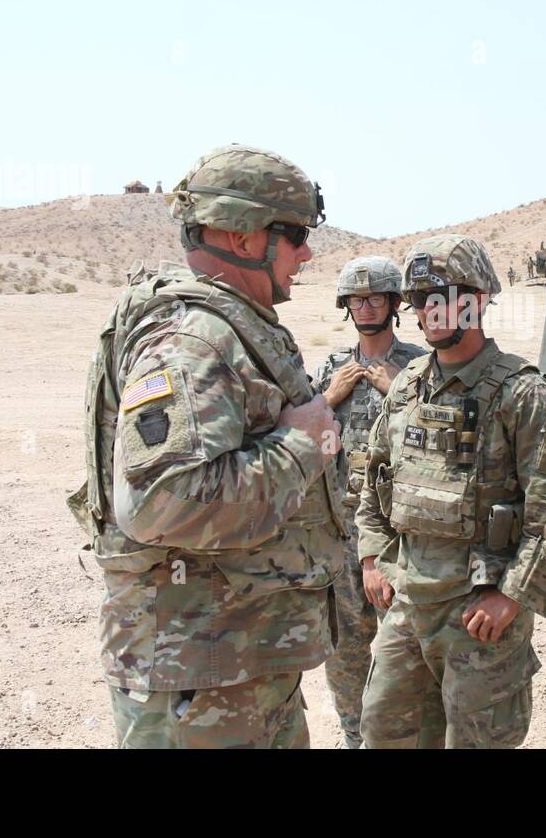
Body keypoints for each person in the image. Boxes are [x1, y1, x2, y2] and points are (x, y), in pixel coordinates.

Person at [67, 144, 345, 748]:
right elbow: (161, 502)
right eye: (294, 234)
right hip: (197, 675)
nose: (306, 252)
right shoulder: (193, 339)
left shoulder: (227, 324)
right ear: (241, 236)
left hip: (233, 661)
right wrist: (302, 446)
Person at [356, 234, 546, 748]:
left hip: (478, 611)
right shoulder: (406, 386)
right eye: (421, 300)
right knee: (384, 732)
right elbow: (374, 480)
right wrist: (371, 559)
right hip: (407, 602)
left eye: (445, 297)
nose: (431, 312)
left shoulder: (521, 392)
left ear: (475, 302)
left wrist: (512, 595)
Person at [311, 255, 426, 749]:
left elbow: (438, 441)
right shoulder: (332, 369)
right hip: (339, 535)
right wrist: (327, 401)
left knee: (402, 648)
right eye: (357, 299)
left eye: (376, 297)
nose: (366, 307)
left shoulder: (420, 366)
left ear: (396, 304)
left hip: (396, 537)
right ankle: (355, 735)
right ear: (345, 306)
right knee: (345, 648)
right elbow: (298, 437)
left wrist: (397, 390)